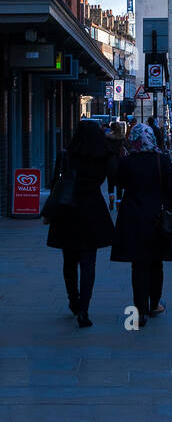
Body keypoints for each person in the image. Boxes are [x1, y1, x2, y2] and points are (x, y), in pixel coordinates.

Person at [44, 120, 115, 328]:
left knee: (69, 261)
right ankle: (84, 309)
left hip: (68, 211)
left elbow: (54, 183)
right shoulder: (101, 157)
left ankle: (73, 300)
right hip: (92, 211)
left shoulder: (66, 155)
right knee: (88, 263)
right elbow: (111, 177)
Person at [111, 122, 172, 327]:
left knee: (138, 265)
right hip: (158, 219)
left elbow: (119, 183)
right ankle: (154, 304)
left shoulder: (127, 162)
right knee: (156, 263)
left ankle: (139, 311)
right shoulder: (163, 161)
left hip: (133, 219)